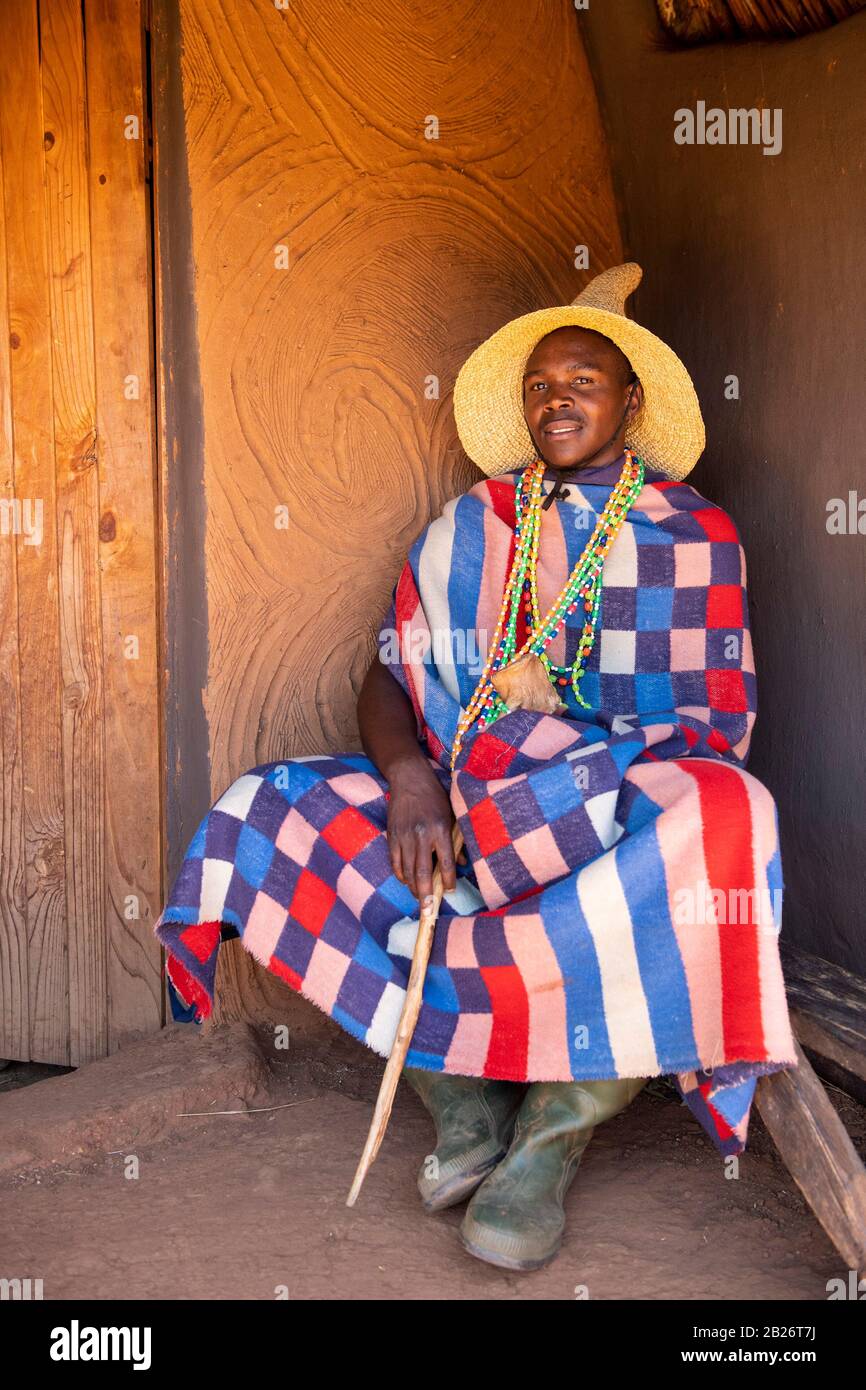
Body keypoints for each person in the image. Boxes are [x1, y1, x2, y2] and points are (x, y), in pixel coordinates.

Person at [154, 263, 796, 1273]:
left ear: (629, 403)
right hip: (459, 789)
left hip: (605, 803)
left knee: (729, 811)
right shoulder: (472, 523)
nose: (556, 400)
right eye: (540, 385)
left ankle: (548, 1139)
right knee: (269, 806)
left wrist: (569, 786)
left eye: (582, 381)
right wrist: (412, 781)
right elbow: (388, 672)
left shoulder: (690, 534)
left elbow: (701, 725)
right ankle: (461, 1101)